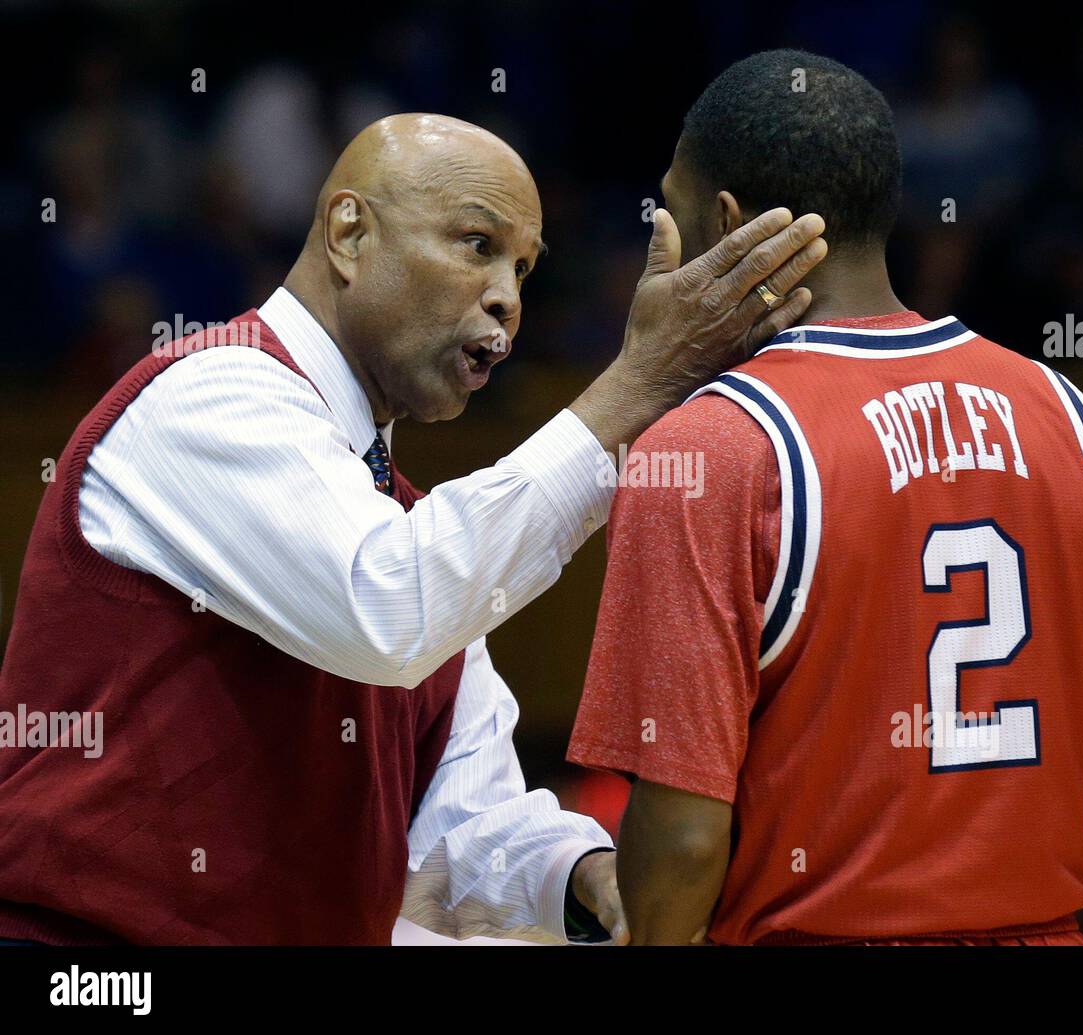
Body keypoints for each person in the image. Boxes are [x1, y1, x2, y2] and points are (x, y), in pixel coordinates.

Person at [0, 112, 827, 945]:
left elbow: (463, 835)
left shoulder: (404, 526)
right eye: (477, 244)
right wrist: (637, 387)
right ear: (350, 234)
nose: (507, 294)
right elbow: (390, 604)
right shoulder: (209, 397)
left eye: (524, 268)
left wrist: (600, 882)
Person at [566, 51, 1083, 946]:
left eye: (669, 212)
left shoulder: (707, 451)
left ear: (727, 226)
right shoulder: (1068, 416)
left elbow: (686, 839)